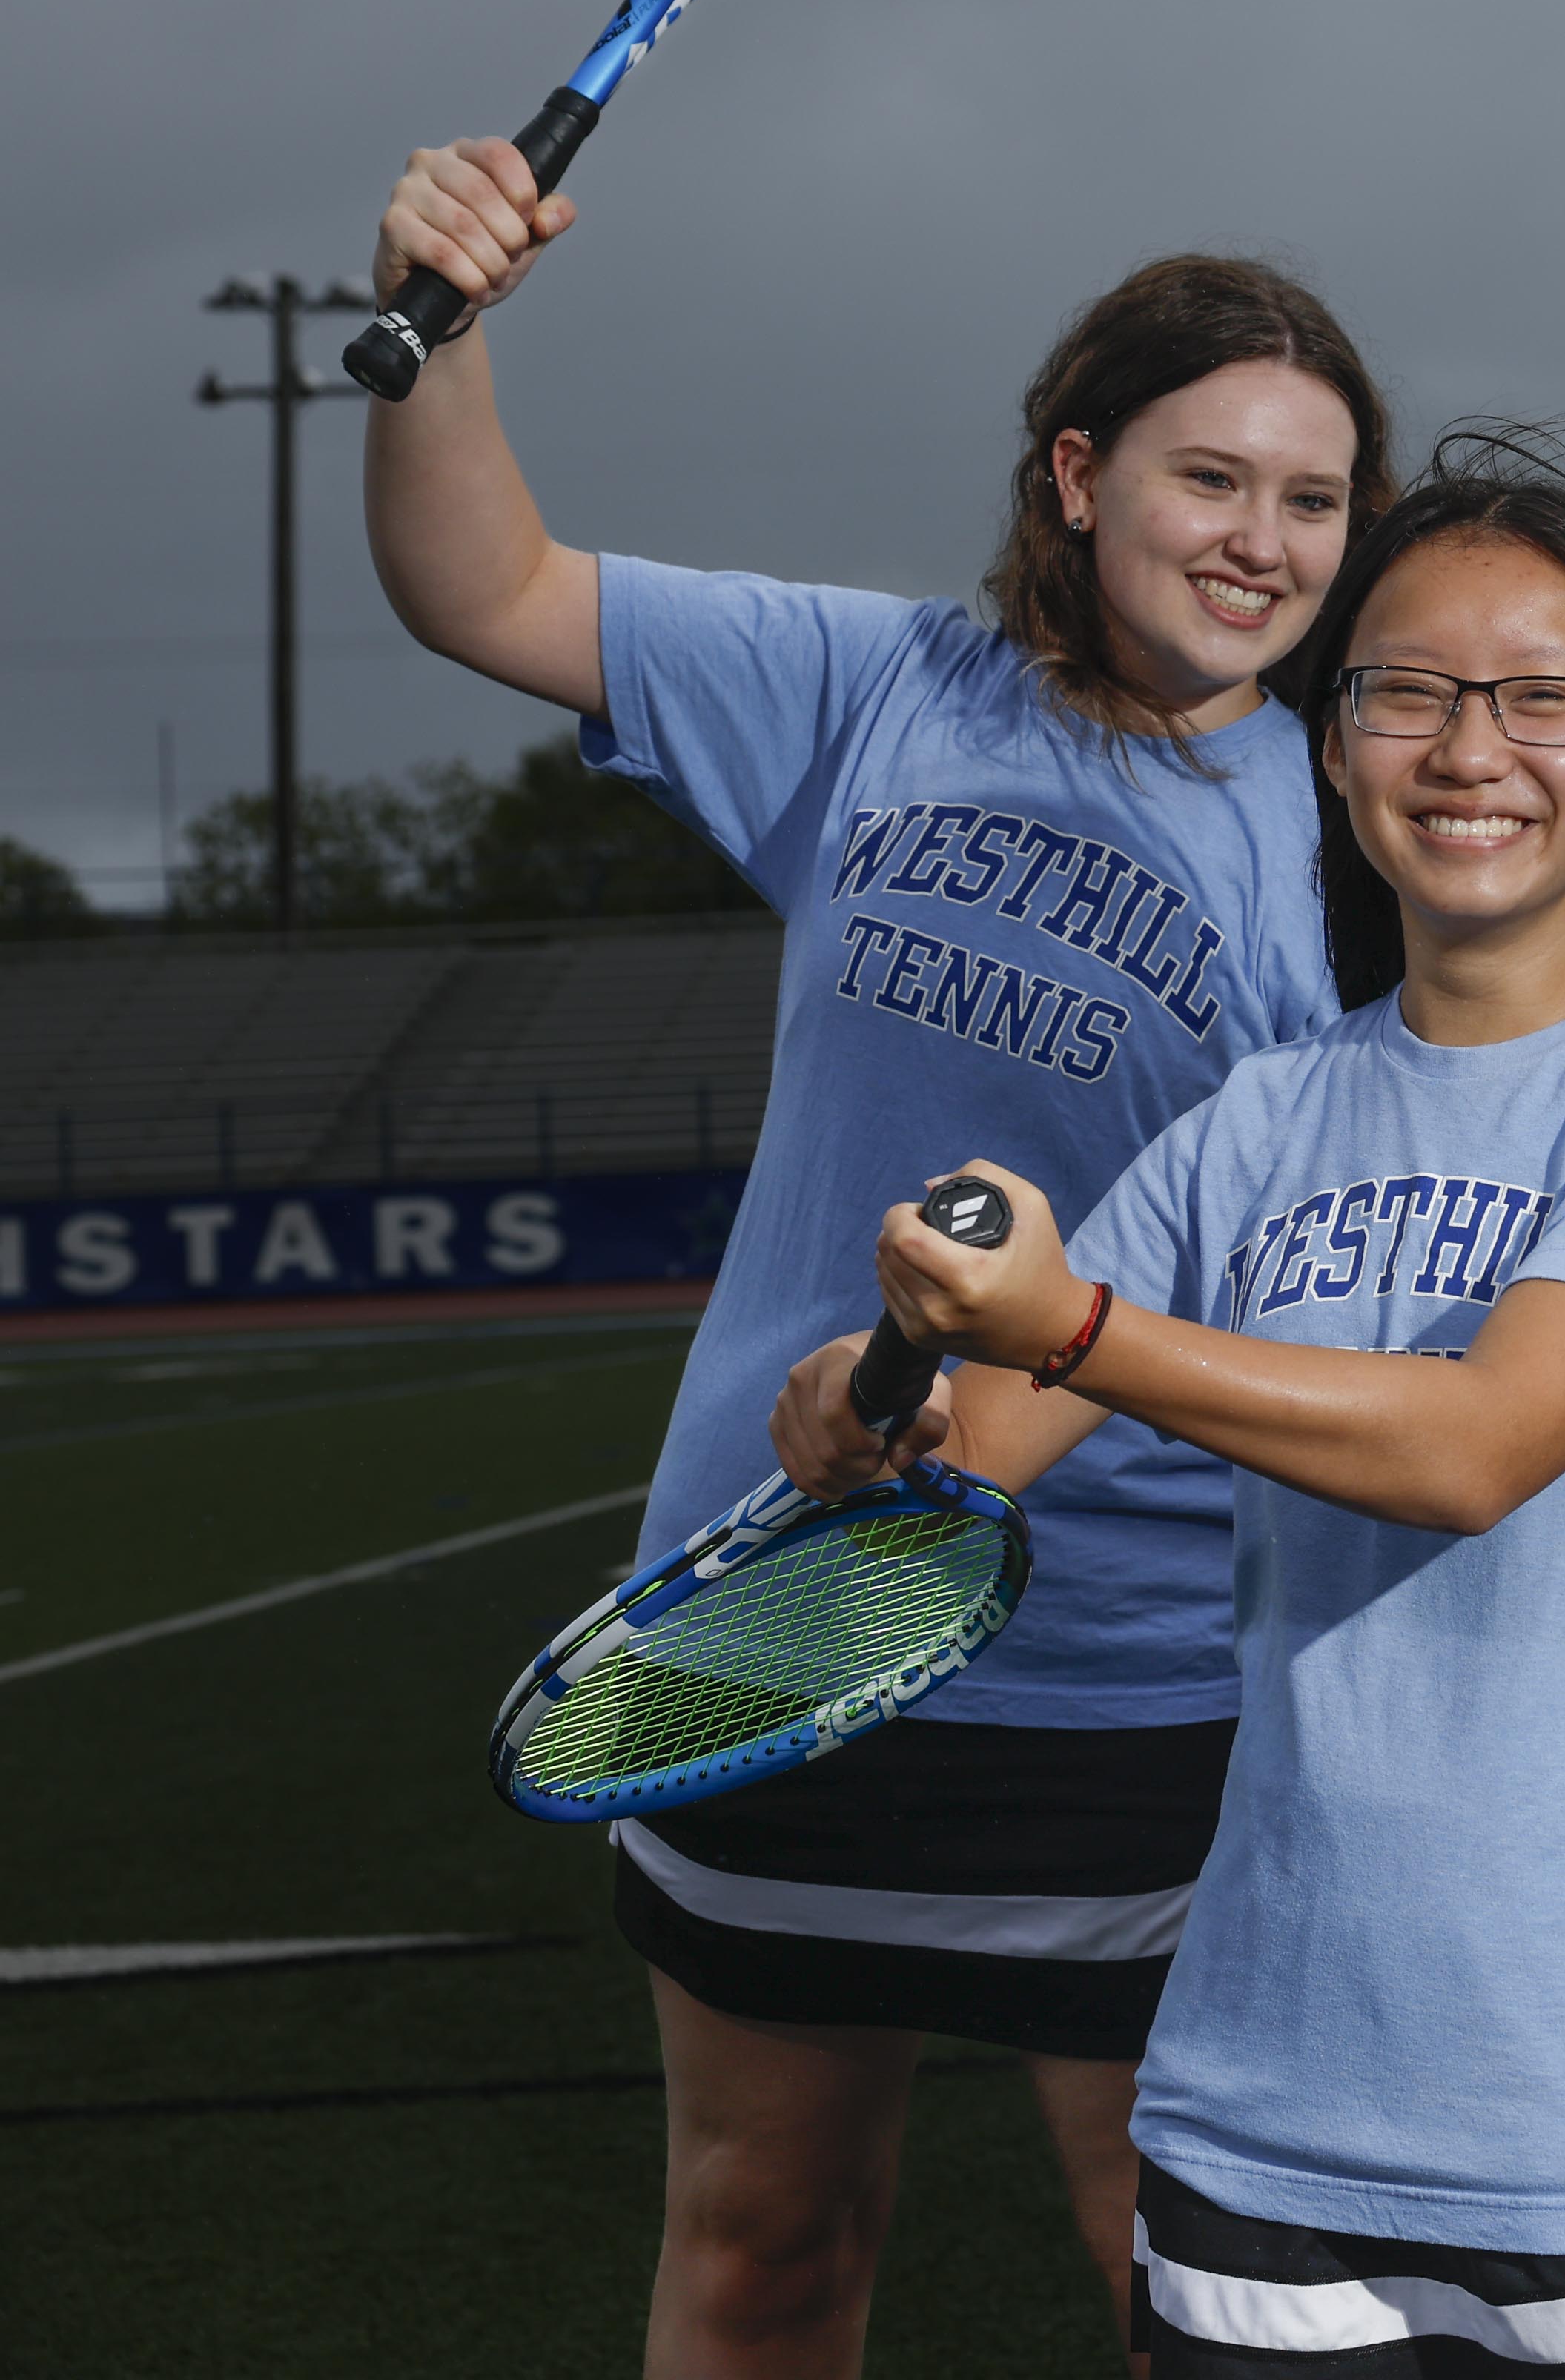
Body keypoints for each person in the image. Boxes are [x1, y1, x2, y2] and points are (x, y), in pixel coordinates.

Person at [365, 137, 1394, 2373]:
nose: (1259, 544)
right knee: (761, 2240)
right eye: (1210, 479)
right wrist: (435, 326)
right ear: (1074, 472)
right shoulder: (872, 694)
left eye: (1309, 504)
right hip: (776, 1607)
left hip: (1144, 1663)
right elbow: (485, 588)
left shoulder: (1351, 841)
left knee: (1198, 2284)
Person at [774, 440, 1565, 2379]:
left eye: (1541, 699)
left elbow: (1474, 1447)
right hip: (1260, 2133)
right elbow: (980, 1457)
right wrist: (879, 1397)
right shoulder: (1259, 1121)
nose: (1469, 749)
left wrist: (1073, 1318)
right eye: (1407, 693)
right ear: (1335, 753)